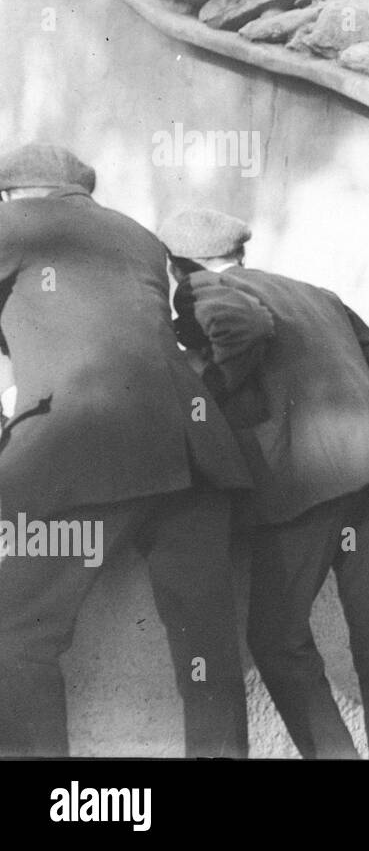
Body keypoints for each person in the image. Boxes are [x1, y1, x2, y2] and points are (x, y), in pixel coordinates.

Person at [0, 143, 249, 758]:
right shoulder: (136, 235)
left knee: (17, 633)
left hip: (82, 453)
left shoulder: (15, 226)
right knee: (205, 644)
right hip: (192, 453)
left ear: (12, 194)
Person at [162, 208, 369, 760]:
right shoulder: (312, 291)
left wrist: (213, 393)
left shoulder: (203, 287)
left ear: (179, 264)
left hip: (305, 484)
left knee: (276, 640)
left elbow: (245, 327)